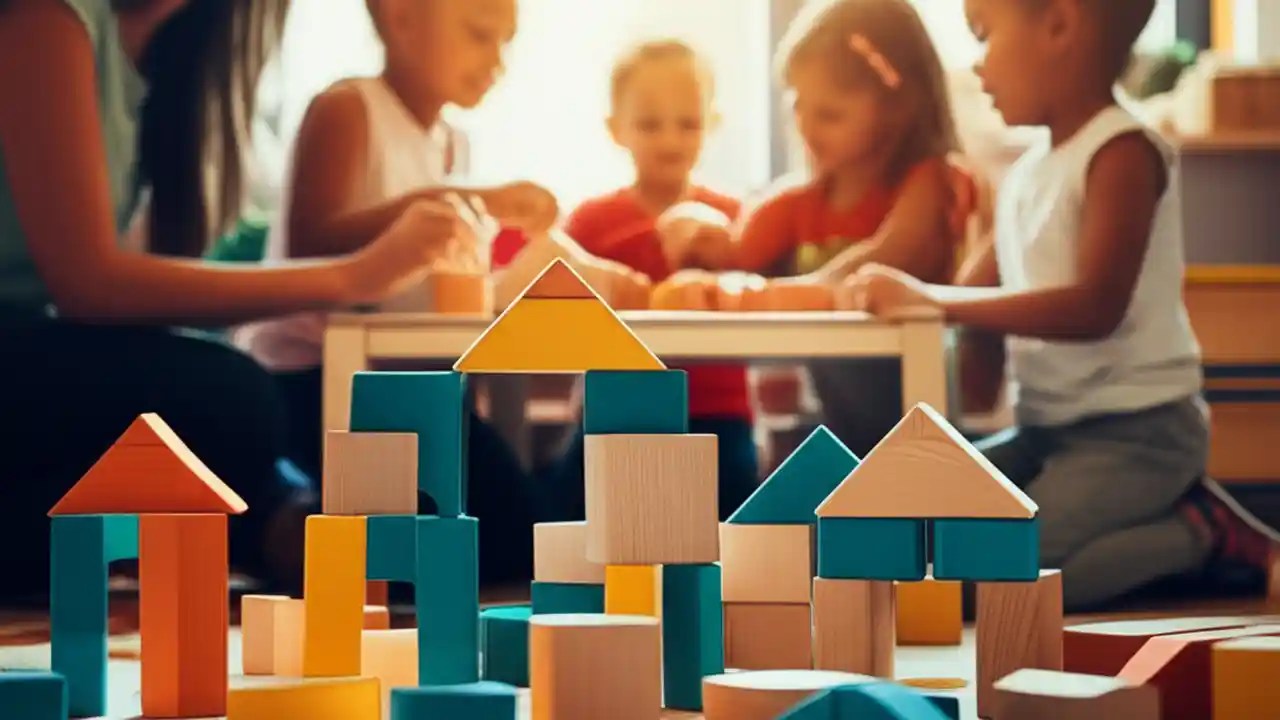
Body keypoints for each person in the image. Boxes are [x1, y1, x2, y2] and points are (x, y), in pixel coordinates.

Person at [0, 0, 470, 598]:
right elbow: (88, 284)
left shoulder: (159, 59)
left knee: (225, 407)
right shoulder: (49, 17)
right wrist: (351, 276)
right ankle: (277, 530)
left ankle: (281, 526)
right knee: (236, 398)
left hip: (32, 350)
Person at [847, 0, 1277, 610]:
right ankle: (1169, 524)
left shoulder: (1122, 152)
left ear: (1059, 26)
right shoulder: (1027, 174)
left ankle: (1202, 535)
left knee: (1000, 581)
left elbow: (1094, 307)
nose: (978, 68)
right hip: (1046, 432)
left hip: (1139, 434)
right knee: (926, 532)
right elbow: (980, 291)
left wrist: (936, 301)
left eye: (985, 36)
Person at [711, 0, 978, 456]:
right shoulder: (797, 202)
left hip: (922, 427)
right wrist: (694, 228)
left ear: (897, 108)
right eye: (798, 106)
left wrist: (802, 291)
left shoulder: (931, 182)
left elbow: (890, 255)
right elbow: (732, 258)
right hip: (842, 429)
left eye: (830, 114)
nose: (807, 127)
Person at [548, 40, 759, 521]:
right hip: (615, 413)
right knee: (568, 521)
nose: (670, 140)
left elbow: (770, 290)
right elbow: (553, 292)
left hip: (716, 413)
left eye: (688, 124)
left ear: (714, 124)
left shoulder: (735, 222)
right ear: (615, 129)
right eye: (649, 124)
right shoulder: (590, 223)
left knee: (736, 529)